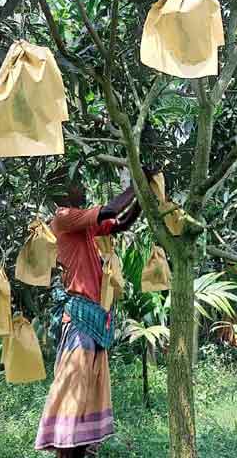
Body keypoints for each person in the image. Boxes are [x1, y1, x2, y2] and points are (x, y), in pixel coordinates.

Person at [34, 170, 150, 457]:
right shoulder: (63, 217)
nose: (83, 186)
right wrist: (138, 182)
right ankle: (67, 450)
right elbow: (110, 209)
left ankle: (83, 450)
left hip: (94, 319)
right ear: (62, 192)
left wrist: (143, 199)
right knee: (74, 391)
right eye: (76, 183)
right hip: (80, 319)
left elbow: (120, 224)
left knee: (89, 392)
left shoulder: (83, 225)